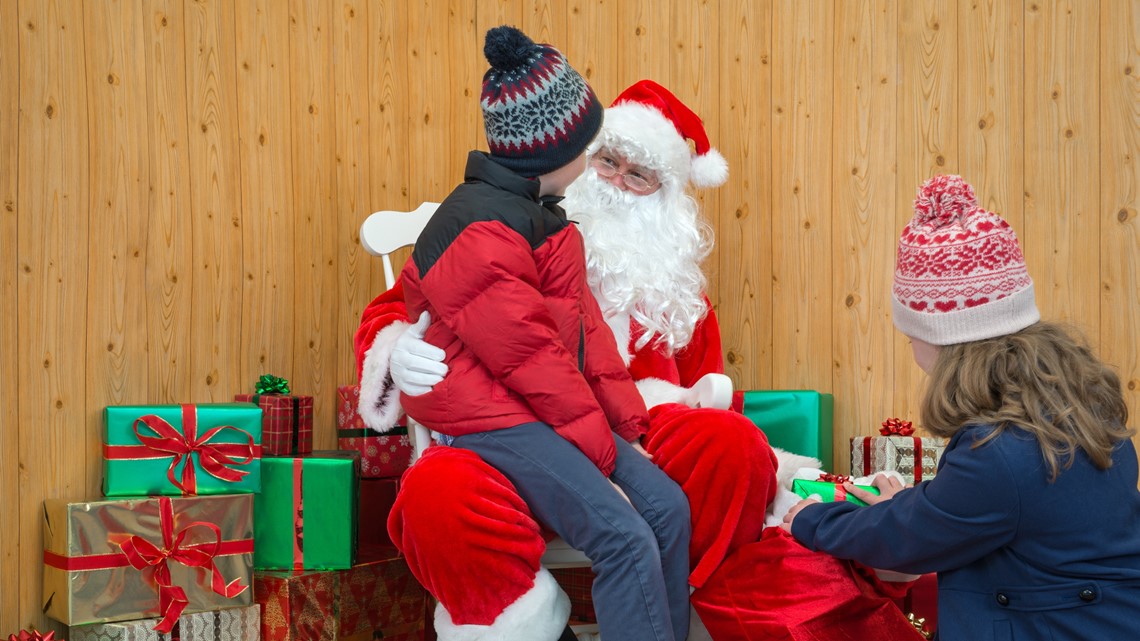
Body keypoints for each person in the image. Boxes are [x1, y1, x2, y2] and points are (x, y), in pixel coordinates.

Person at [360, 77, 923, 641]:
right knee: (437, 494)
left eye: (638, 176)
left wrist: (629, 437)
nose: (616, 185)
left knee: (730, 447)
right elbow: (401, 308)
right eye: (607, 162)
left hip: (640, 431)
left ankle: (677, 609)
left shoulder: (676, 293)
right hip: (501, 431)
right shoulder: (502, 232)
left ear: (666, 195)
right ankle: (524, 624)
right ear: (578, 161)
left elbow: (700, 390)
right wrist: (397, 346)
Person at [388, 26, 691, 641]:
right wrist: (599, 451)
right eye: (593, 147)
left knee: (668, 509)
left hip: (535, 408)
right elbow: (530, 357)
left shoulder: (543, 219)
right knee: (624, 537)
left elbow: (587, 338)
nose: (596, 159)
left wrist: (627, 429)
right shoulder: (478, 226)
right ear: (558, 153)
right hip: (488, 416)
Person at [782, 174, 1140, 640]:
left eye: (911, 333)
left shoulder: (999, 453)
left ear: (944, 339)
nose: (909, 342)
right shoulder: (1072, 404)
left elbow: (908, 539)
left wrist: (811, 519)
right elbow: (968, 509)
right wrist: (907, 504)